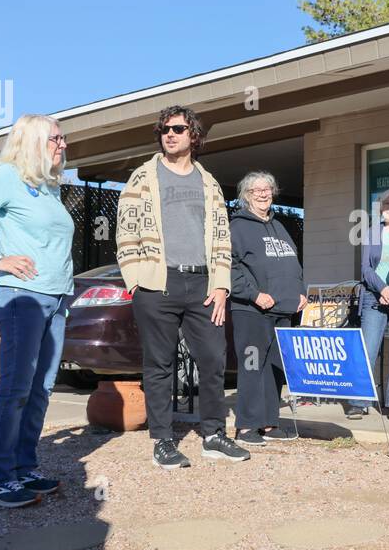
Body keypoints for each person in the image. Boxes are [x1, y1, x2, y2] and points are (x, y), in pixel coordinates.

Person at [0, 114, 75, 506]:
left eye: (63, 138)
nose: (63, 144)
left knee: (41, 389)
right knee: (16, 389)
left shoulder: (49, 187)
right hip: (23, 297)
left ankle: (23, 468)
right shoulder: (8, 176)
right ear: (35, 140)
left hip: (57, 300)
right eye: (57, 138)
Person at [117, 105, 250, 466]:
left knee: (213, 359)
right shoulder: (142, 178)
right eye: (163, 130)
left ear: (193, 135)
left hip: (203, 284)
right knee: (159, 364)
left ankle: (213, 435)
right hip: (157, 284)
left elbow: (223, 237)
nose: (169, 135)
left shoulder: (208, 183)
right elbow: (125, 231)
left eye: (177, 129)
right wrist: (136, 281)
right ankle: (163, 440)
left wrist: (221, 284)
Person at [229, 171, 305, 447]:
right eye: (256, 190)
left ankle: (269, 423)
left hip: (283, 311)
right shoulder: (236, 227)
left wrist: (300, 292)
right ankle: (247, 426)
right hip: (252, 311)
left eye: (267, 189)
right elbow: (229, 267)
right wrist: (253, 295)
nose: (263, 194)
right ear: (246, 196)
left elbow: (292, 264)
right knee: (252, 366)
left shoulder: (280, 226)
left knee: (275, 367)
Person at [346, 189, 389, 421]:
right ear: (381, 208)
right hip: (375, 295)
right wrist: (383, 288)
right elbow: (366, 268)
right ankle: (358, 402)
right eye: (387, 203)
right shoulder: (373, 232)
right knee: (368, 350)